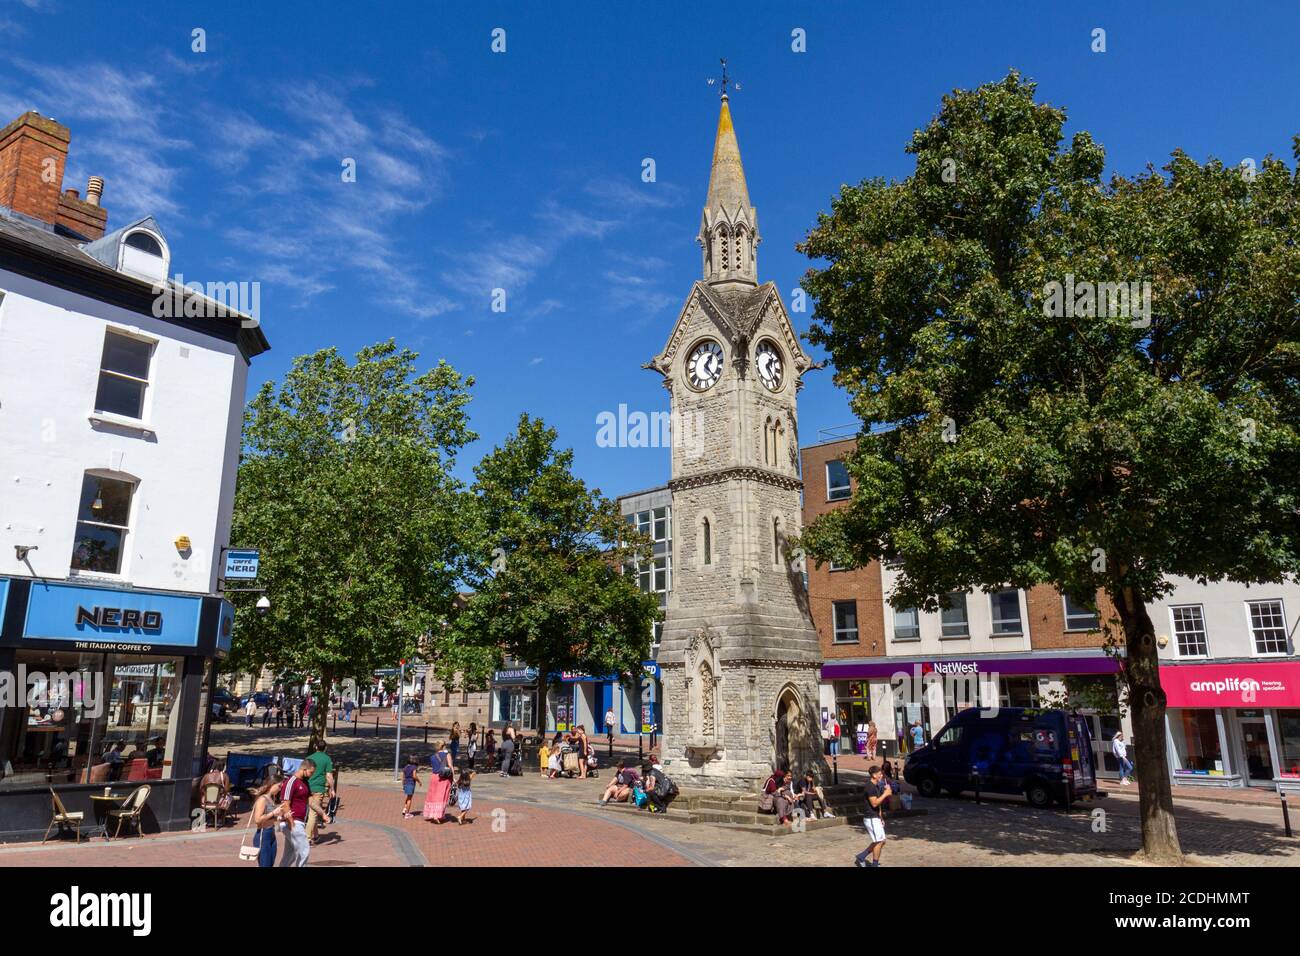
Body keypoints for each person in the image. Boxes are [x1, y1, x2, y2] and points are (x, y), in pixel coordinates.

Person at [279, 758, 314, 867]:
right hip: (293, 822)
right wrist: (292, 823)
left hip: (299, 822)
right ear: (304, 769)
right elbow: (285, 804)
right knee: (304, 850)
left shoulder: (305, 782)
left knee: (290, 854)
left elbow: (310, 801)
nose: (311, 775)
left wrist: (322, 813)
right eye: (311, 772)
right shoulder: (291, 782)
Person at [854, 764, 891, 868]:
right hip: (870, 818)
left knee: (882, 841)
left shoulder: (876, 786)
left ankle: (862, 856)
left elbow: (878, 805)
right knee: (879, 841)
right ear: (874, 775)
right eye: (880, 774)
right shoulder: (870, 787)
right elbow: (874, 803)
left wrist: (881, 817)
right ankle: (874, 864)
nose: (881, 776)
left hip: (875, 817)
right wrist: (886, 794)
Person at [249, 771, 288, 867]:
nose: (280, 789)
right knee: (265, 864)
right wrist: (273, 813)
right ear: (272, 784)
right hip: (263, 834)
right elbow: (257, 820)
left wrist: (281, 817)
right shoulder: (262, 799)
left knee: (269, 864)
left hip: (271, 833)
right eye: (279, 786)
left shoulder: (271, 799)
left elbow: (271, 818)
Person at [304, 742, 335, 844]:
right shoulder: (326, 759)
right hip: (318, 788)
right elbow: (329, 776)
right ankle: (307, 838)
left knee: (314, 811)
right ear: (325, 748)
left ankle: (316, 835)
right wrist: (332, 789)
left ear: (316, 747)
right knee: (313, 814)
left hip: (308, 787)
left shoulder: (309, 757)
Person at [424, 740, 454, 822]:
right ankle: (437, 815)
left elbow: (434, 767)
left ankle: (431, 813)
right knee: (442, 796)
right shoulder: (447, 754)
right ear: (444, 746)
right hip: (444, 777)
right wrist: (453, 778)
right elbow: (450, 766)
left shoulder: (433, 756)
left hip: (434, 777)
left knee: (433, 795)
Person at [402, 754, 420, 819]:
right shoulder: (414, 767)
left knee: (407, 797)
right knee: (410, 799)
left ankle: (404, 809)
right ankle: (407, 814)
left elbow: (403, 777)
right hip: (411, 784)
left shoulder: (405, 767)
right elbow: (414, 776)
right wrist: (419, 781)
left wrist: (403, 784)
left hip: (406, 784)